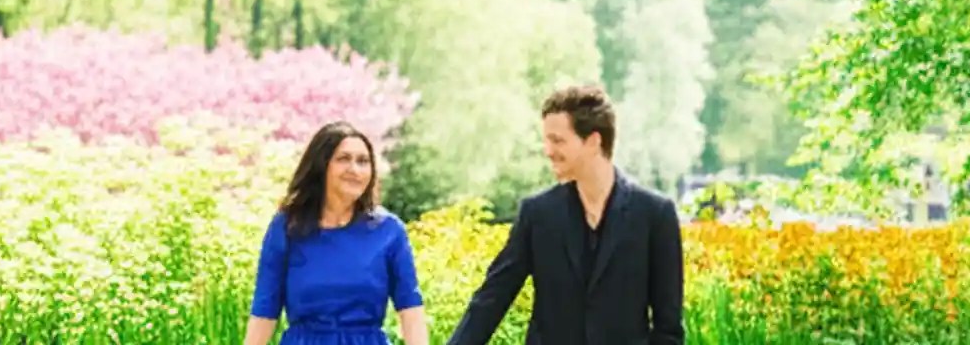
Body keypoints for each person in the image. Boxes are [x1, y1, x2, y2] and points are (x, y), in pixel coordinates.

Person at [446, 85, 684, 345]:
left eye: (557, 140)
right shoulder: (537, 214)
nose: (548, 150)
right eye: (546, 140)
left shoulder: (655, 215)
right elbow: (492, 297)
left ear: (593, 141)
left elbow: (668, 327)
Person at [244, 121, 428, 345]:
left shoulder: (389, 232)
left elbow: (411, 309)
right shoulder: (287, 227)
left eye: (363, 161)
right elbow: (265, 308)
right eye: (344, 159)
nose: (355, 169)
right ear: (322, 166)